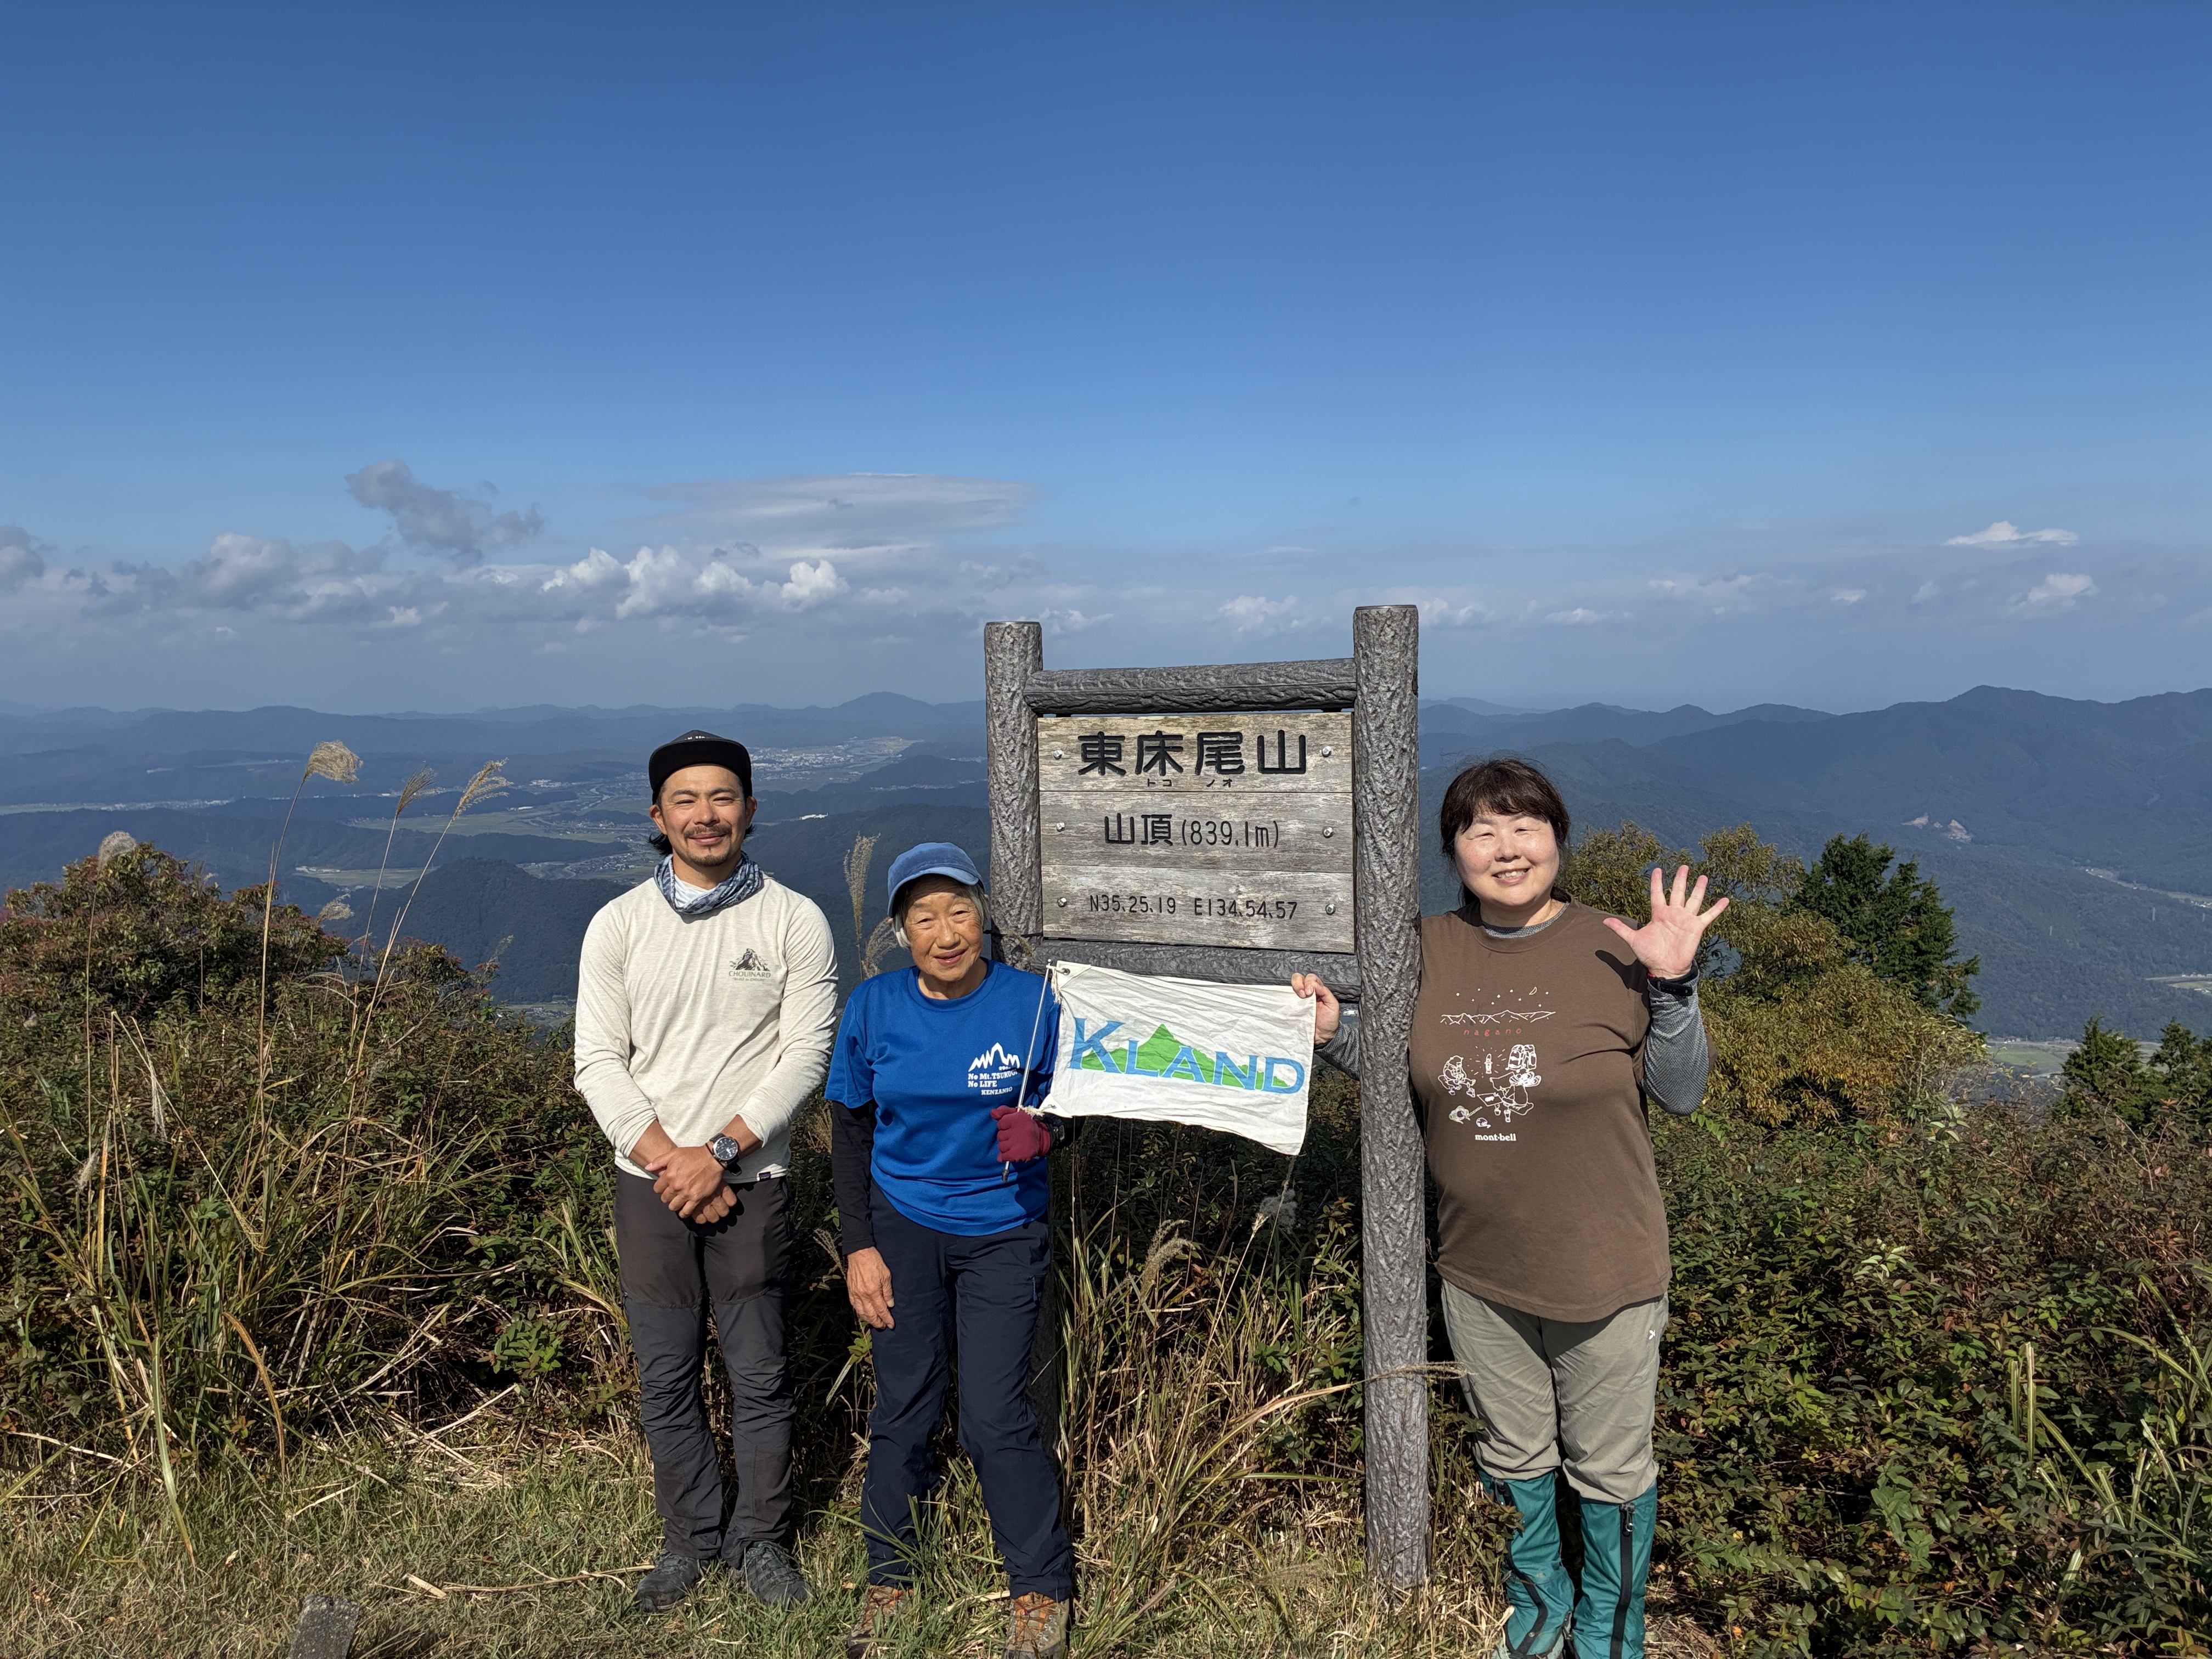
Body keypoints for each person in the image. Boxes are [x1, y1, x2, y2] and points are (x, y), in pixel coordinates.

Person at [1295, 757, 1720, 1659]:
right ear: (1453, 852)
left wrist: (1674, 988)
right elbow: (1405, 1069)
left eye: (1525, 825)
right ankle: (1539, 1610)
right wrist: (1338, 1037)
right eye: (1480, 830)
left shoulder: (1614, 948)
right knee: (1514, 1459)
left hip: (1605, 1267)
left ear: (1558, 840)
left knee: (1609, 1472)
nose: (1506, 847)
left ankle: (1611, 1634)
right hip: (1479, 1268)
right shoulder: (1426, 947)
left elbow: (1681, 1094)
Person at [573, 729, 839, 1614]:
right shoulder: (618, 924)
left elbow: (806, 1055)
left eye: (722, 798)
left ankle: (758, 1539)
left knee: (760, 1369)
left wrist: (716, 1152)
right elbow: (597, 1062)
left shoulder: (794, 919)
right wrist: (669, 1160)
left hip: (750, 1181)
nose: (705, 814)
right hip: (648, 1183)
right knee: (667, 1371)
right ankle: (689, 1538)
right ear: (658, 817)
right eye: (685, 800)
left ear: (751, 810)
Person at [827, 842, 1077, 1659]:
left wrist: (1047, 1131)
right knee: (904, 1405)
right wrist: (858, 1248)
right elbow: (850, 1129)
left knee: (994, 1415)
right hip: (902, 1222)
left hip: (1004, 1226)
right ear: (901, 930)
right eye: (924, 916)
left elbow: (1072, 1101)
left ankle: (1040, 1590)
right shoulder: (874, 1007)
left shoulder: (1032, 1004)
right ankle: (890, 1579)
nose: (945, 932)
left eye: (960, 912)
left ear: (983, 919)